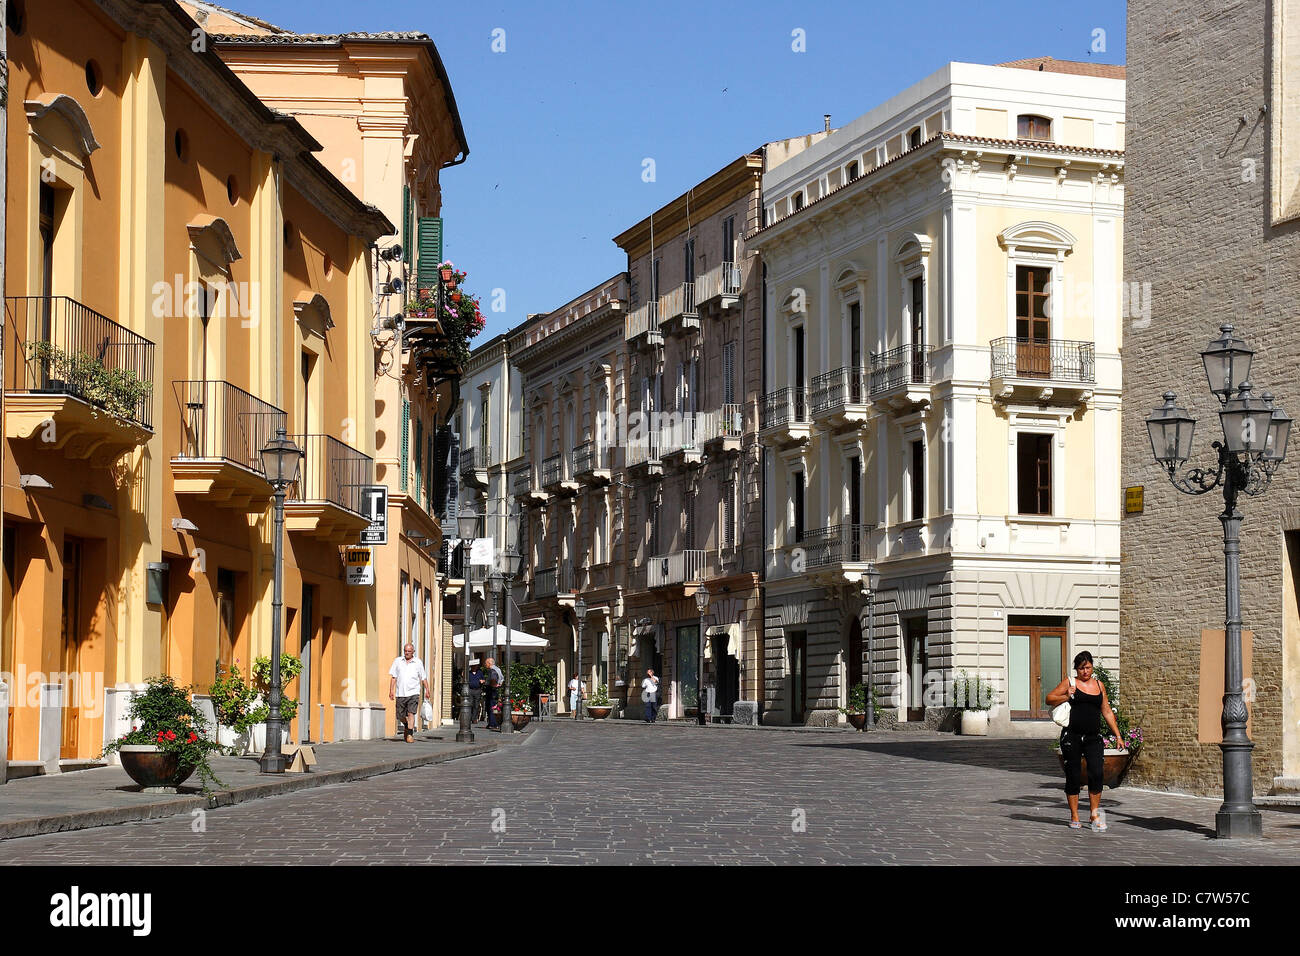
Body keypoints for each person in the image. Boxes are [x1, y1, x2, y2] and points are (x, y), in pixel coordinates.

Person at [1046, 651, 1124, 831]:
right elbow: (1049, 698)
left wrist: (1118, 736)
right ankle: (1074, 816)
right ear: (1077, 669)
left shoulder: (1099, 685)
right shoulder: (1070, 682)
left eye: (1088, 667)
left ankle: (1094, 814)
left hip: (1093, 738)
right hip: (1072, 736)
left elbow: (1107, 711)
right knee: (1073, 775)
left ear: (1092, 667)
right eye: (1081, 668)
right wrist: (1067, 695)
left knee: (1097, 774)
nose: (1085, 671)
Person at [388, 643, 430, 743]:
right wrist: (391, 690)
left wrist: (427, 690)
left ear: (413, 652)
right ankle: (407, 725)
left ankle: (410, 734)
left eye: (409, 651)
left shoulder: (418, 662)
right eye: (405, 651)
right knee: (400, 715)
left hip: (413, 692)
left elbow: (423, 678)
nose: (407, 653)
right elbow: (394, 677)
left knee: (411, 713)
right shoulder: (398, 661)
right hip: (400, 693)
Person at [484, 657, 504, 731]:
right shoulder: (497, 669)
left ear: (489, 663)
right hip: (495, 689)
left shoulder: (492, 670)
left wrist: (493, 685)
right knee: (494, 706)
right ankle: (492, 723)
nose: (485, 665)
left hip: (492, 690)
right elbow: (502, 679)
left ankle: (493, 723)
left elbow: (493, 679)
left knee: (491, 706)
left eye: (486, 663)